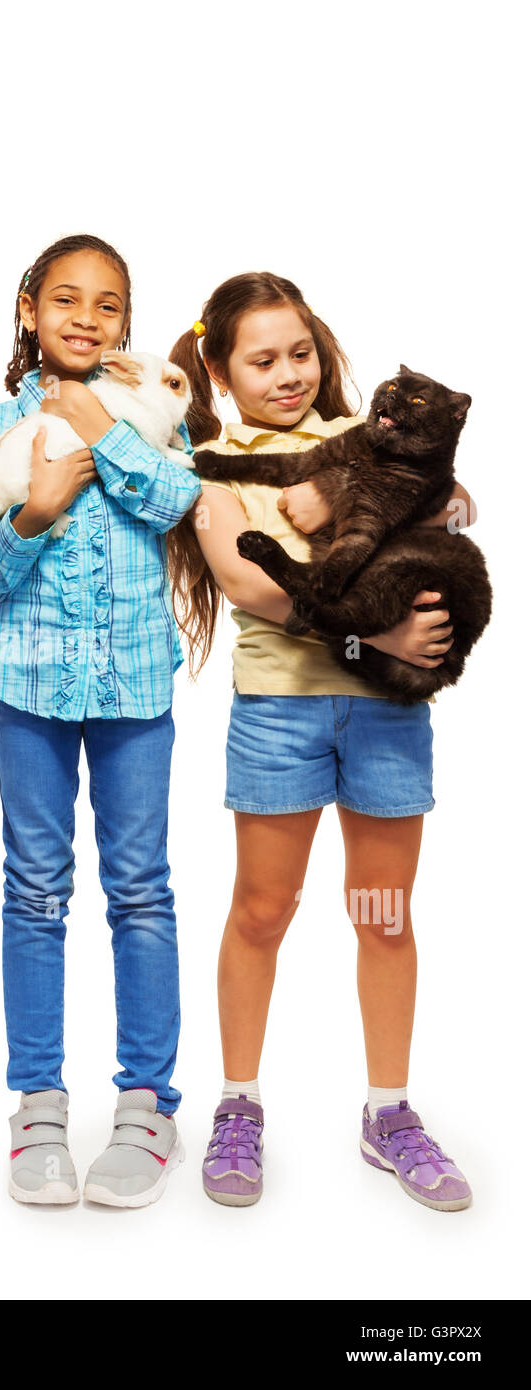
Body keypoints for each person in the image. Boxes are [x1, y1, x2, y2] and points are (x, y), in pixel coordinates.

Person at [168, 271, 475, 1212]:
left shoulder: (359, 448)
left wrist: (451, 500)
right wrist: (370, 635)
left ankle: (389, 1114)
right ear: (220, 370)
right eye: (261, 361)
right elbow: (254, 589)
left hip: (385, 715)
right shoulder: (215, 470)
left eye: (299, 352)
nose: (287, 374)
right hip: (280, 714)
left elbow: (438, 503)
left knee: (382, 913)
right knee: (263, 910)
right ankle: (238, 1104)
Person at [0, 234, 201, 1208]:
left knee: (140, 888)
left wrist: (101, 430)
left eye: (105, 304)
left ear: (123, 325)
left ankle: (144, 1103)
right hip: (28, 688)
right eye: (65, 298)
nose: (85, 317)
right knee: (33, 889)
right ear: (28, 311)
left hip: (135, 687)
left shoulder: (145, 413)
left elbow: (176, 500)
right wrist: (32, 512)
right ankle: (39, 1107)